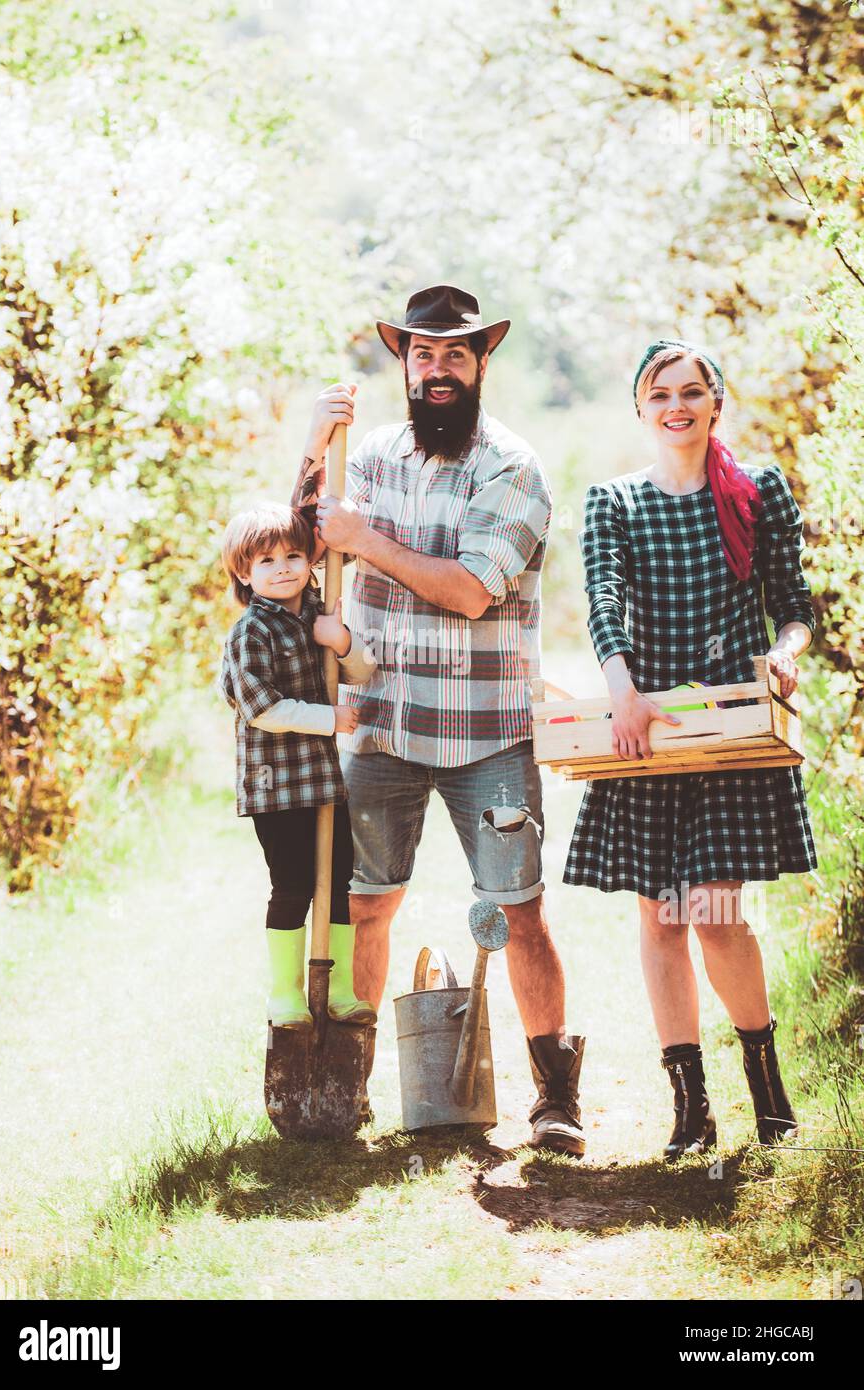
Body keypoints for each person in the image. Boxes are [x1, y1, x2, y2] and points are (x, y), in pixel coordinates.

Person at [291, 285, 584, 1153]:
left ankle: (555, 1098)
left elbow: (464, 591)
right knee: (363, 907)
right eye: (423, 353)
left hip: (486, 731)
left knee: (517, 910)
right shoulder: (368, 454)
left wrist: (365, 541)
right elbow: (297, 546)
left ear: (481, 362)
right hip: (380, 724)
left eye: (456, 352)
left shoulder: (513, 467)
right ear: (405, 364)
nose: (438, 367)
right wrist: (313, 445)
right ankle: (345, 1089)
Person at [563, 339, 816, 1160]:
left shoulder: (757, 491)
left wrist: (784, 653)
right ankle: (689, 1107)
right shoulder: (613, 502)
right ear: (640, 409)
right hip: (647, 728)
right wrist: (620, 688)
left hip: (730, 728)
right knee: (660, 917)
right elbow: (602, 597)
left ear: (715, 402)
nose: (675, 404)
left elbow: (793, 604)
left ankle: (768, 1096)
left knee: (713, 911)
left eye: (690, 391)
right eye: (658, 393)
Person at [219, 502, 377, 1031]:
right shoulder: (249, 633)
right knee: (292, 884)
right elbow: (261, 708)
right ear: (244, 574)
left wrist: (344, 642)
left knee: (337, 883)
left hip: (323, 781)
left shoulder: (316, 613)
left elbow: (361, 670)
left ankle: (338, 988)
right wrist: (327, 718)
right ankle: (284, 993)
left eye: (293, 555)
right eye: (266, 562)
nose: (283, 568)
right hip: (276, 784)